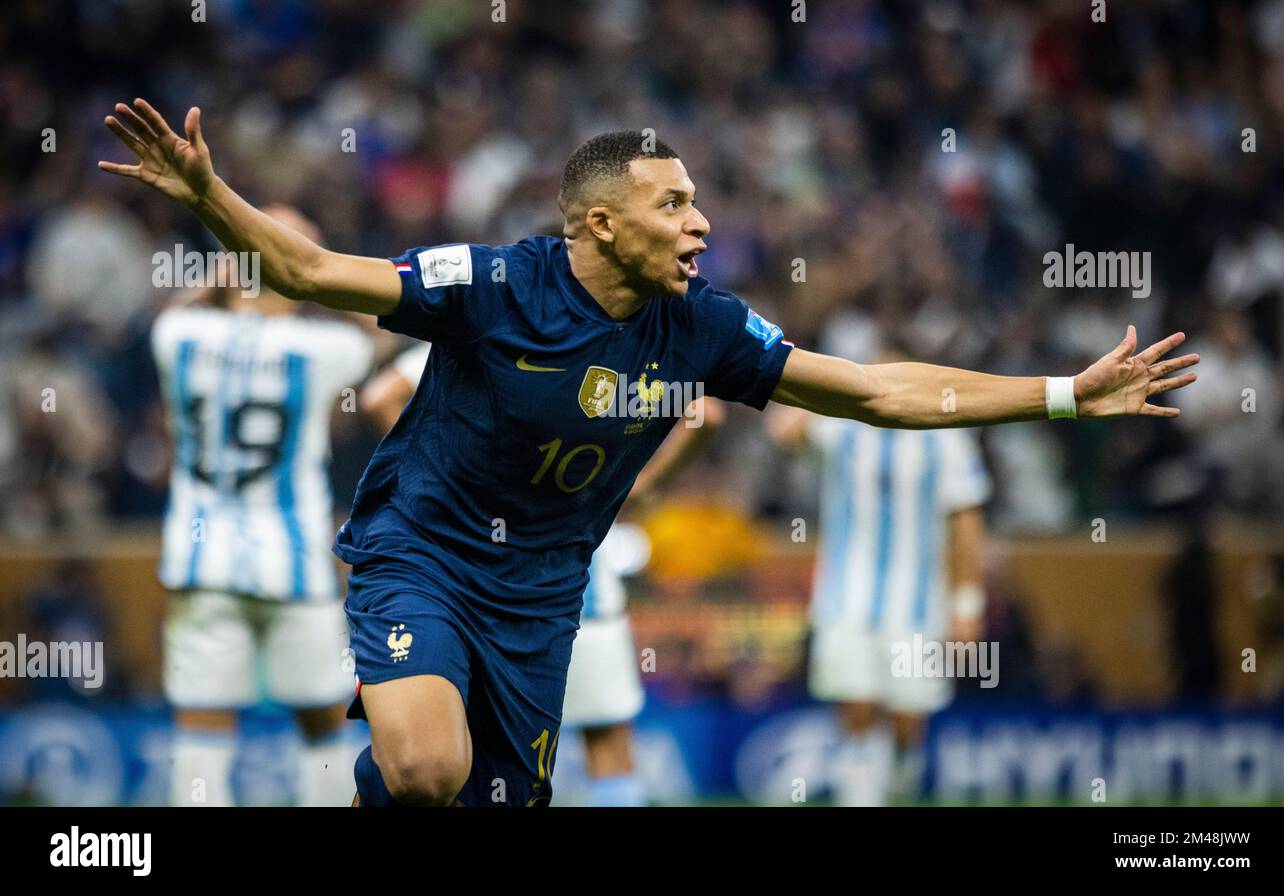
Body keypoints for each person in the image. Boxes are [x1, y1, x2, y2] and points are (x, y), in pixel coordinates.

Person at [102, 98, 1199, 806]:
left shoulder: (702, 326)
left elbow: (874, 390)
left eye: (699, 202)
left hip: (541, 593)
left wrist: (1062, 394)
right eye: (671, 203)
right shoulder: (490, 286)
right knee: (426, 763)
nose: (699, 222)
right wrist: (212, 198)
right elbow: (306, 274)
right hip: (423, 550)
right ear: (597, 226)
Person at [360, 343, 725, 805]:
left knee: (449, 754)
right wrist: (642, 484)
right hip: (580, 585)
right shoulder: (631, 347)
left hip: (472, 582)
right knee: (607, 744)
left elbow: (380, 396)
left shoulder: (487, 328)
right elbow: (705, 414)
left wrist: (434, 471)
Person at [150, 205, 373, 806]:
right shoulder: (322, 348)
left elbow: (182, 311)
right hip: (294, 562)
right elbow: (376, 329)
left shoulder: (180, 337)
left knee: (202, 726)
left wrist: (233, 258)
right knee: (325, 721)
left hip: (200, 561)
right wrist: (314, 272)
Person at [769, 344, 990, 806]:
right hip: (846, 599)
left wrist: (967, 604)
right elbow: (783, 430)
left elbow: (966, 521)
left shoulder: (944, 434)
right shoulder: (843, 423)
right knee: (855, 708)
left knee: (909, 722)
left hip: (918, 605)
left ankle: (897, 787)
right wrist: (825, 386)